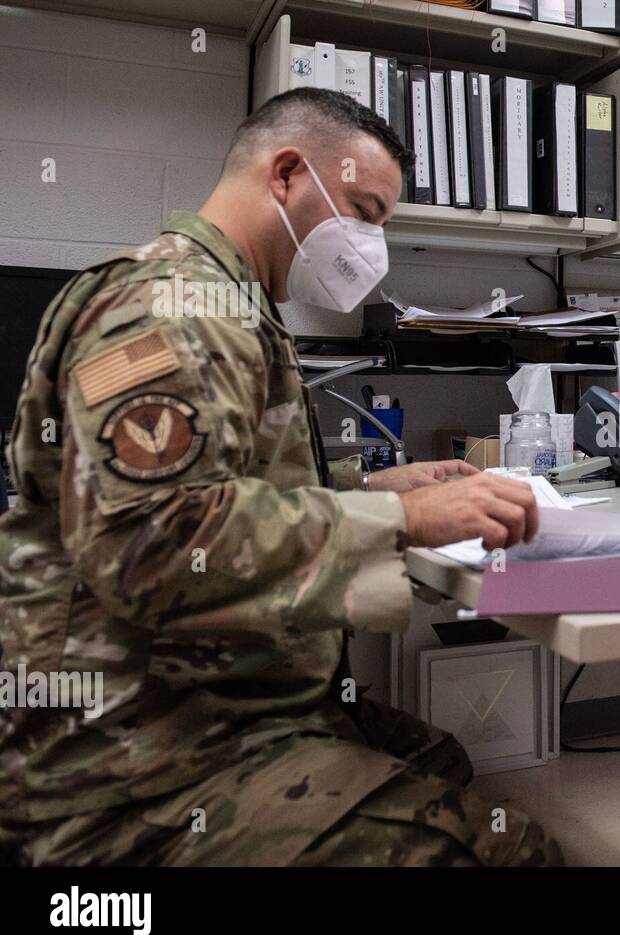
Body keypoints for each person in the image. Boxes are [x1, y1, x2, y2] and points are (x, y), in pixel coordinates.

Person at [0, 89, 560, 865]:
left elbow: (222, 486)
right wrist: (408, 525)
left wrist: (370, 492)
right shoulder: (169, 308)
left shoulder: (231, 301)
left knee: (442, 763)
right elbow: (150, 542)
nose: (372, 244)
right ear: (289, 172)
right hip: (128, 760)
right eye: (364, 211)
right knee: (509, 850)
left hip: (215, 700)